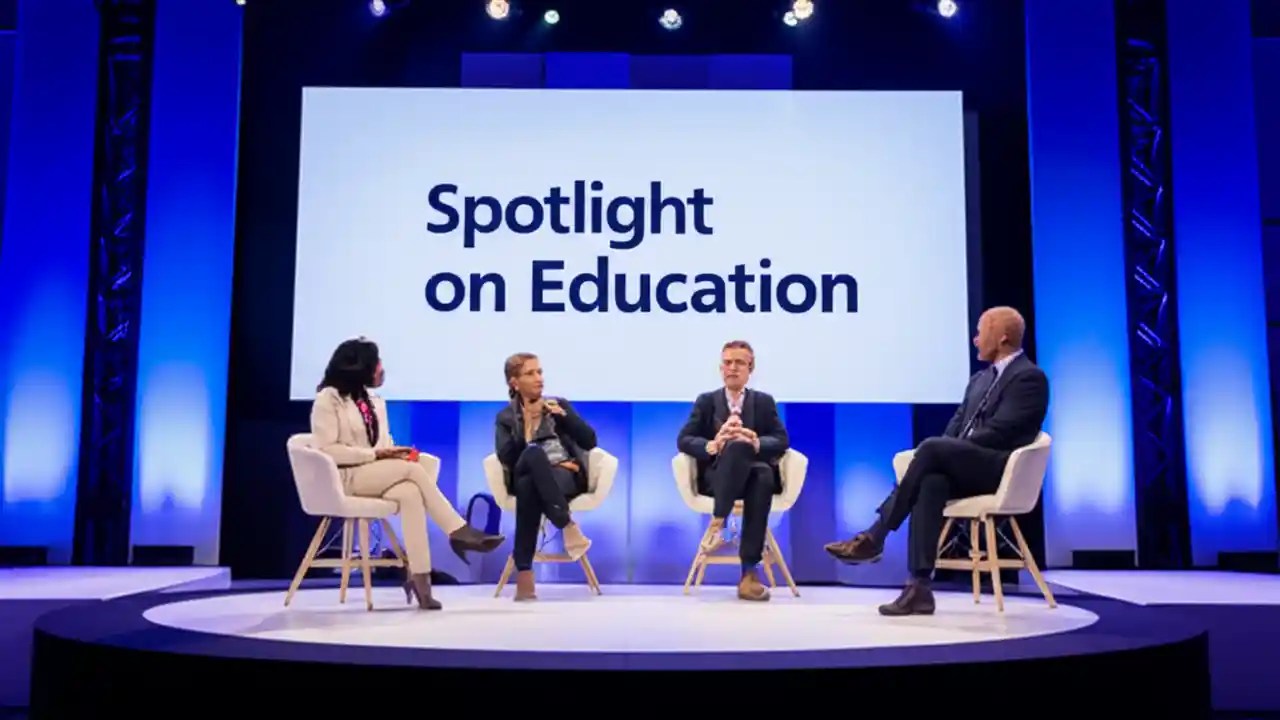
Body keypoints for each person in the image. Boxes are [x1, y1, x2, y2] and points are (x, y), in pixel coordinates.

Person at [824, 306, 1049, 616]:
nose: (975, 339)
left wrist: (950, 449)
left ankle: (875, 536)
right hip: (968, 466)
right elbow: (955, 426)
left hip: (1000, 469)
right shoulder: (979, 380)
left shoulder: (1029, 378)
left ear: (1002, 337)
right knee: (930, 482)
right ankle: (918, 588)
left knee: (931, 448)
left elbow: (1003, 432)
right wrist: (948, 451)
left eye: (980, 332)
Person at [310, 338, 504, 610]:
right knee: (413, 471)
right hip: (344, 477)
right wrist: (376, 455)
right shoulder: (328, 400)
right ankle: (458, 530)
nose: (381, 368)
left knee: (411, 493)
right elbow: (327, 450)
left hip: (373, 473)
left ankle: (420, 581)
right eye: (377, 363)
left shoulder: (374, 402)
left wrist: (394, 452)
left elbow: (381, 443)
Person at [676, 340, 789, 601]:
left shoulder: (763, 402)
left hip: (753, 480)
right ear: (721, 368)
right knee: (742, 453)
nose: (732, 368)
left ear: (751, 368)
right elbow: (684, 439)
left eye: (739, 363)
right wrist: (714, 445)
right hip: (717, 478)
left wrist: (755, 441)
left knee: (758, 471)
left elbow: (781, 440)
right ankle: (749, 573)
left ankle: (720, 521)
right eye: (727, 363)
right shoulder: (706, 401)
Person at [494, 352, 598, 601]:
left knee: (529, 487)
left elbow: (590, 440)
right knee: (533, 456)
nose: (539, 378)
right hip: (526, 469)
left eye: (539, 372)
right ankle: (567, 525)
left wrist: (564, 416)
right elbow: (507, 458)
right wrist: (527, 426)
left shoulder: (558, 405)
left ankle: (524, 576)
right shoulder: (506, 417)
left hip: (562, 474)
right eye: (530, 373)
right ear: (514, 382)